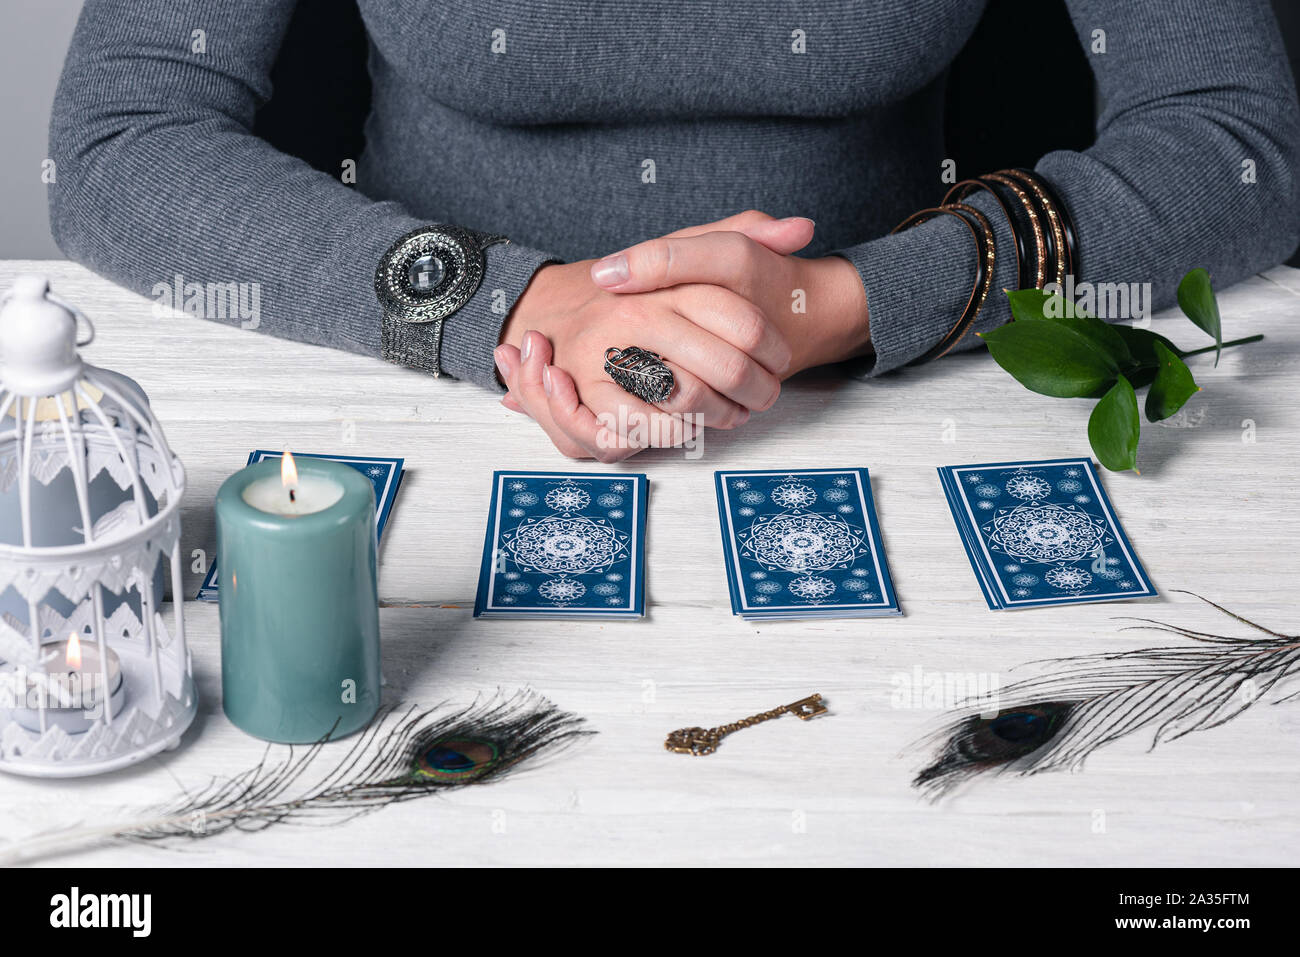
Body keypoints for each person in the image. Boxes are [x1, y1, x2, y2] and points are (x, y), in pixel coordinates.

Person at [49, 1, 1299, 461]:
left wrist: (839, 303)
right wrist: (513, 306)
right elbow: (119, 136)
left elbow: (1238, 141)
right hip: (404, 404)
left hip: (899, 410)